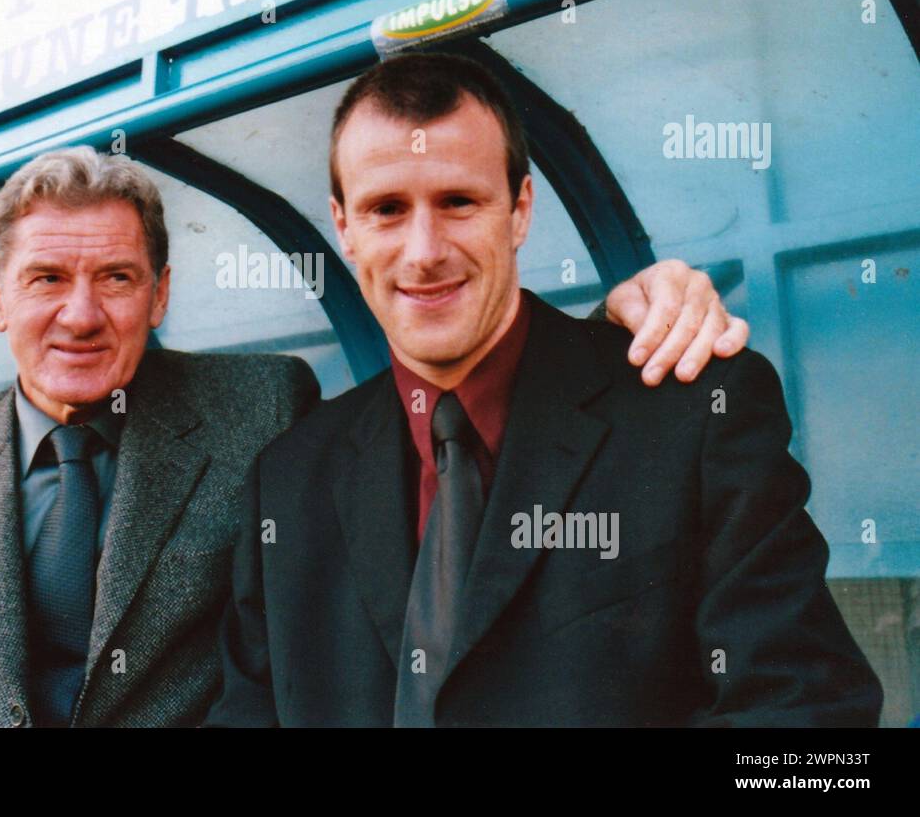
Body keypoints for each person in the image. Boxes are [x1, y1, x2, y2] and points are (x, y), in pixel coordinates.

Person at [0, 140, 749, 727]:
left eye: (119, 279)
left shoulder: (267, 410)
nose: (81, 316)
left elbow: (460, 370)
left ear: (162, 292)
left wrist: (635, 308)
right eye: (48, 278)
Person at [207, 52, 882, 727]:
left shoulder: (695, 410)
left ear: (521, 209)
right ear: (344, 228)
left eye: (458, 202)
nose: (423, 250)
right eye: (386, 209)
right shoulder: (288, 481)